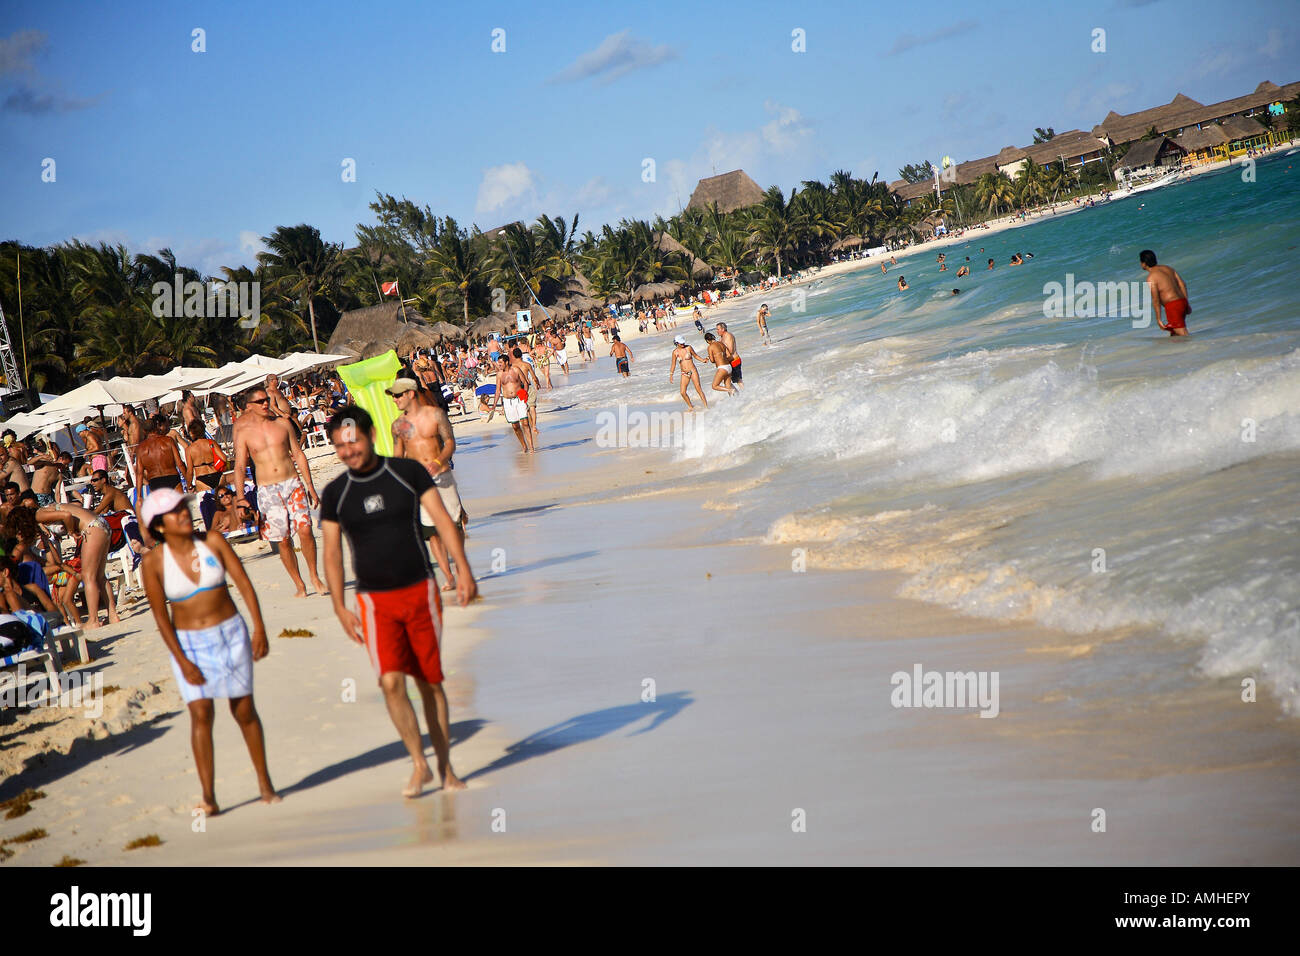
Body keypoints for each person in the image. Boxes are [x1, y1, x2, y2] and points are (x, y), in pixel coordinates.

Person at [320, 405, 478, 798]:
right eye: (340, 446)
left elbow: (442, 520)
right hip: (374, 602)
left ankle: (445, 767)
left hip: (420, 590)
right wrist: (340, 605)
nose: (348, 451)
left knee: (428, 682)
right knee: (391, 683)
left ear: (370, 435)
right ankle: (419, 763)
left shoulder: (406, 474)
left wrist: (464, 571)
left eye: (353, 441)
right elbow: (331, 553)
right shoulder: (336, 494)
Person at [139, 488, 278, 815]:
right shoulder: (154, 563)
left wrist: (258, 627)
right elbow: (161, 618)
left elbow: (243, 584)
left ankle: (265, 784)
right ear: (159, 526)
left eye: (184, 509)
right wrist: (182, 659)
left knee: (243, 710)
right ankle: (209, 797)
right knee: (202, 714)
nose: (184, 514)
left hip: (230, 633)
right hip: (189, 644)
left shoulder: (213, 541)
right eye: (175, 512)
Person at [232, 385, 327, 597]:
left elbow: (298, 453)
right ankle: (299, 583)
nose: (265, 403)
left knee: (305, 530)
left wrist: (310, 485)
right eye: (260, 401)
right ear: (249, 407)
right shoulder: (244, 432)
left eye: (266, 399)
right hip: (267, 490)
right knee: (283, 541)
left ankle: (314, 575)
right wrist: (240, 498)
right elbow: (239, 466)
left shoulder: (283, 424)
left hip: (292, 483)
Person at [389, 377, 469, 593]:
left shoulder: (435, 415)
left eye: (397, 395)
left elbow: (450, 442)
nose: (394, 400)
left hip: (442, 475)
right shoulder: (398, 425)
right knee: (431, 532)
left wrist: (438, 461)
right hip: (419, 482)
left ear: (410, 394)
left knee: (453, 525)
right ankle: (448, 575)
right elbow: (399, 456)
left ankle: (460, 566)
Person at [29, 495, 121, 629]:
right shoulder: (50, 508)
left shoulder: (39, 515)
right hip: (101, 524)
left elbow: (66, 515)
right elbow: (75, 509)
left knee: (88, 577)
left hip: (91, 528)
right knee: (100, 576)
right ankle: (113, 615)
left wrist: (71, 531)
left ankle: (93, 620)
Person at [486, 356, 535, 454]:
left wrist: (524, 394)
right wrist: (494, 405)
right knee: (515, 426)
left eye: (501, 363)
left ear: (506, 362)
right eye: (498, 363)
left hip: (519, 399)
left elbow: (525, 383)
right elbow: (497, 390)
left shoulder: (516, 370)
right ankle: (524, 445)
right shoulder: (499, 374)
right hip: (508, 401)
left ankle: (531, 447)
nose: (499, 365)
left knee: (525, 423)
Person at [136, 414, 191, 498]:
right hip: (172, 478)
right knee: (181, 508)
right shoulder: (168, 441)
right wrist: (189, 483)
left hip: (155, 482)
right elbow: (180, 464)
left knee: (164, 510)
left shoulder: (140, 449)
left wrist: (139, 496)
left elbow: (139, 474)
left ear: (144, 431)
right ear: (156, 427)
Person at [1140, 249, 1191, 336]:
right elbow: (1182, 284)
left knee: (1183, 334)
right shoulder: (1168, 268)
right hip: (1182, 301)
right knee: (1174, 335)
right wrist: (1186, 303)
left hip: (1173, 306)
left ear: (1144, 263)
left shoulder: (1151, 278)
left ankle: (1196, 347)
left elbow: (1155, 300)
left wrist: (1158, 319)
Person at [669, 335, 709, 410]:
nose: (683, 344)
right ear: (676, 343)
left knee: (698, 389)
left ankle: (706, 407)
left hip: (693, 371)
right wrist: (671, 374)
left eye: (683, 343)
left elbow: (695, 356)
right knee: (682, 392)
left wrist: (703, 360)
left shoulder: (688, 348)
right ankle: (691, 407)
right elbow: (673, 364)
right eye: (681, 343)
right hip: (684, 373)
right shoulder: (675, 352)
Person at [185, 419, 227, 491]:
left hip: (202, 479)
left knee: (207, 501)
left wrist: (189, 486)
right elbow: (224, 458)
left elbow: (190, 471)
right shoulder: (211, 442)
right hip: (217, 475)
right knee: (221, 500)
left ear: (191, 433)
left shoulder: (189, 450)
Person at [715, 322, 742, 389]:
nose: (717, 331)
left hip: (734, 360)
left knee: (738, 380)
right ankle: (736, 395)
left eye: (718, 329)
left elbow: (731, 350)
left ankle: (745, 392)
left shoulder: (728, 336)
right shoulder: (721, 338)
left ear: (723, 329)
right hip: (727, 362)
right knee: (726, 381)